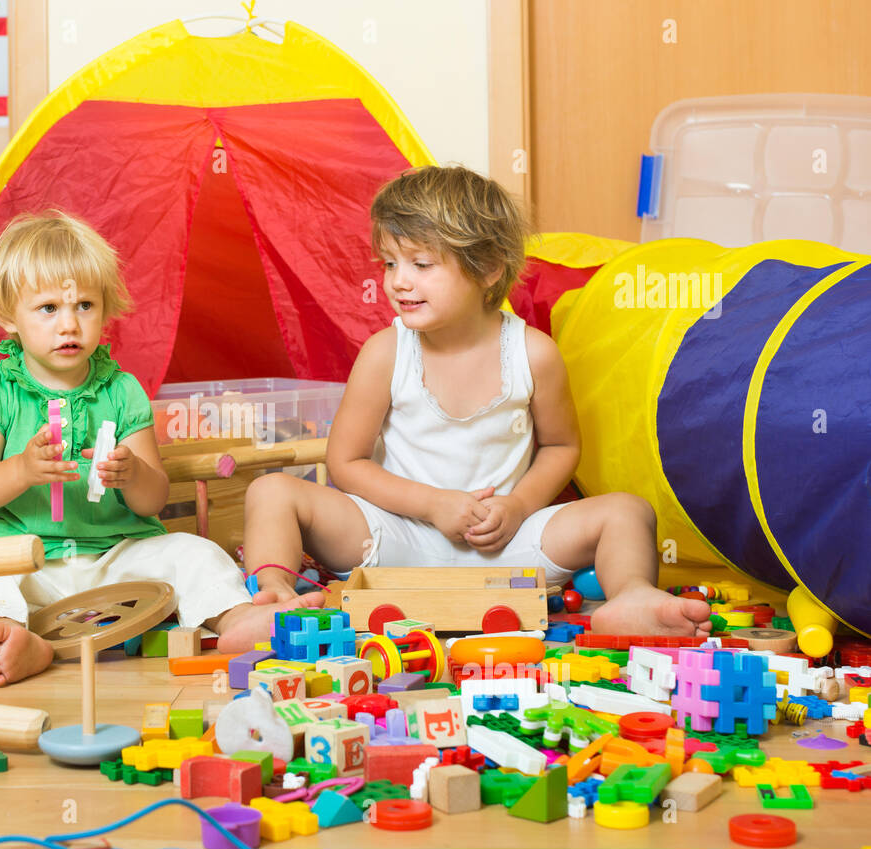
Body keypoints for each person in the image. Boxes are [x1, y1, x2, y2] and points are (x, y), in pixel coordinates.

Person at [237, 165, 711, 646]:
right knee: (273, 490)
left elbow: (562, 446)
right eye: (388, 264)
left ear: (487, 269)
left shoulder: (533, 353)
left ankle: (630, 595)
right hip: (396, 540)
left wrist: (518, 506)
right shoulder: (386, 352)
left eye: (421, 265)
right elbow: (346, 461)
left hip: (507, 548)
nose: (399, 282)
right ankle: (273, 595)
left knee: (628, 511)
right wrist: (433, 505)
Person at [0, 211, 321, 684]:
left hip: (114, 559)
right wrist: (22, 470)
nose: (69, 324)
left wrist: (133, 475)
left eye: (85, 306)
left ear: (106, 310)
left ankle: (234, 618)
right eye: (49, 308)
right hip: (20, 560)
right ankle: (13, 636)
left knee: (195, 551)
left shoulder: (123, 390)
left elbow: (153, 499)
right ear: (10, 316)